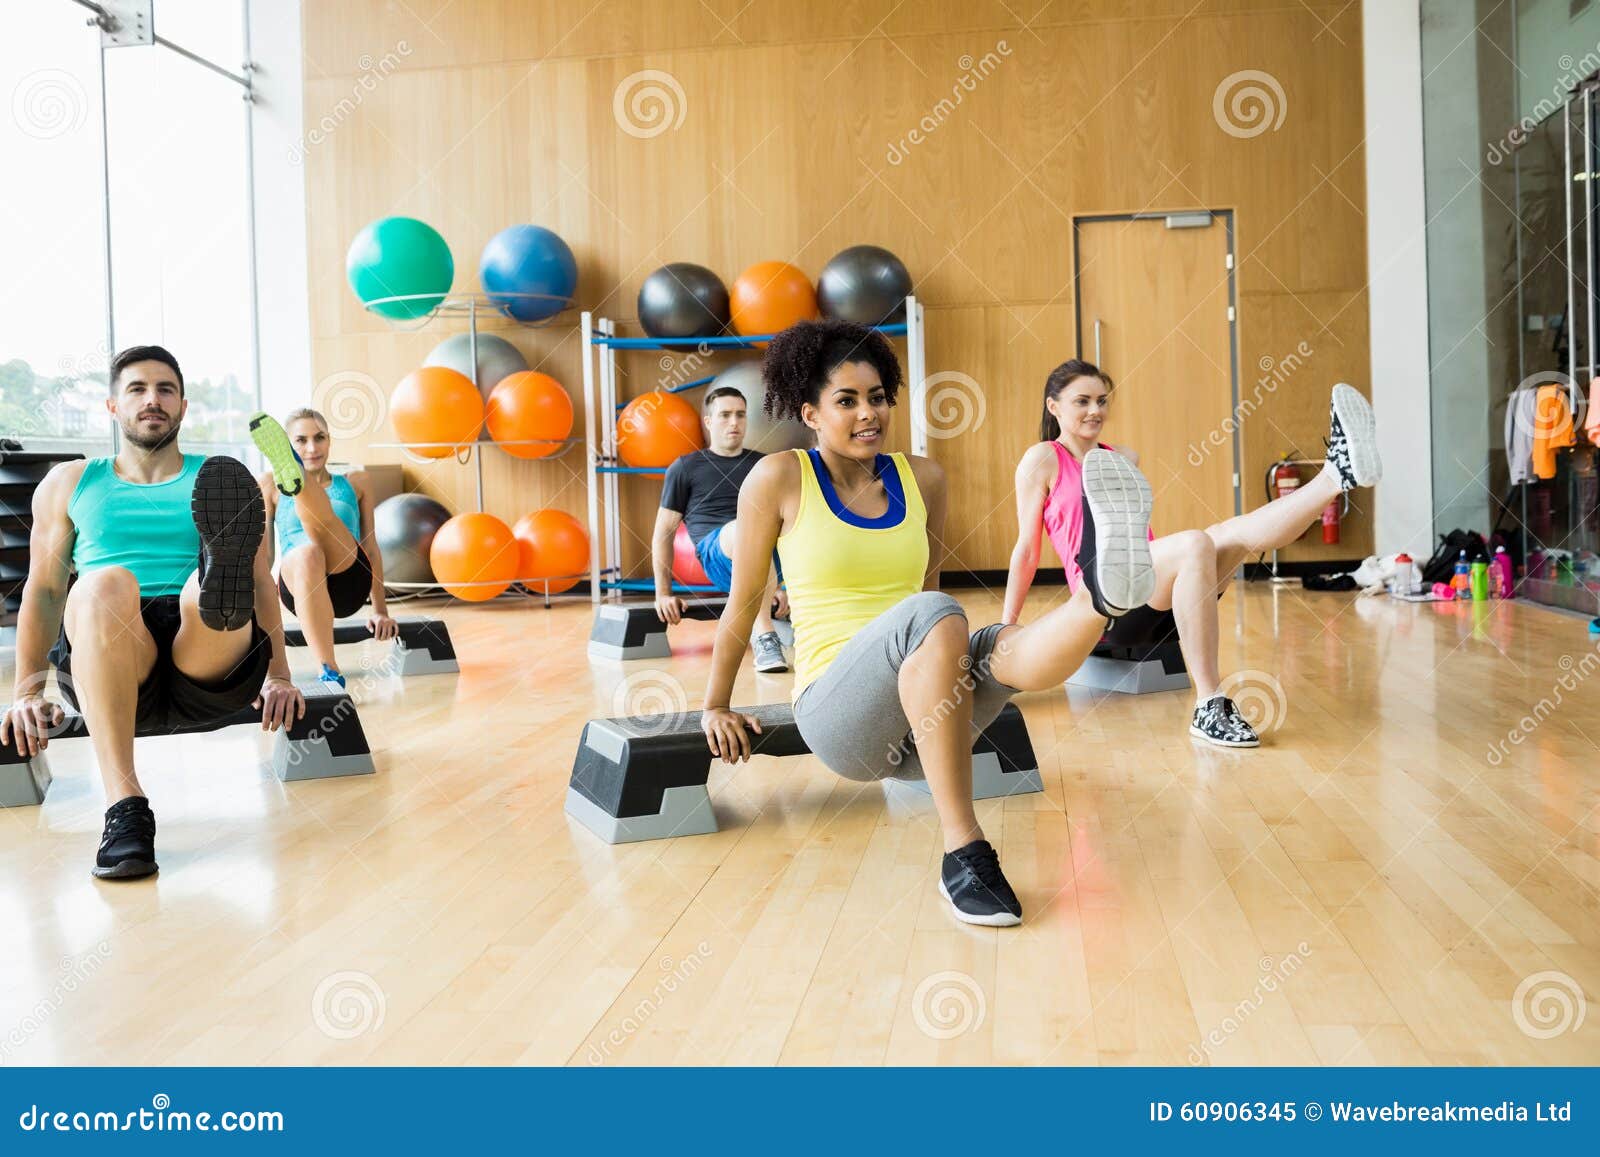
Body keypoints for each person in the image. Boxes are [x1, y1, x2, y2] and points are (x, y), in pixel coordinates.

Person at [699, 320, 1160, 927]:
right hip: (839, 719)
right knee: (936, 613)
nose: (869, 413)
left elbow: (928, 585)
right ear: (810, 413)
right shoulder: (779, 477)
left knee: (1000, 643)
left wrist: (953, 668)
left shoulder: (924, 478)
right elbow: (743, 602)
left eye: (877, 397)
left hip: (926, 725)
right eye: (846, 401)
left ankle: (1098, 600)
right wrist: (715, 704)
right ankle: (964, 850)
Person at [0, 345, 305, 880]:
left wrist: (280, 674)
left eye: (166, 390)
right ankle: (126, 806)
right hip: (111, 649)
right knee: (105, 584)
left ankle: (213, 582)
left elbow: (261, 582)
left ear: (183, 406)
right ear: (112, 406)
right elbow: (45, 591)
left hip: (208, 659)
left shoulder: (220, 478)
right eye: (137, 389)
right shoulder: (70, 481)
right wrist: (27, 690)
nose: (152, 400)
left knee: (201, 591)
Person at [1002, 359, 1382, 748]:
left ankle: (1335, 476)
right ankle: (1209, 703)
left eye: (1101, 400)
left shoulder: (1123, 457)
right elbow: (1027, 549)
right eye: (1082, 401)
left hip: (1156, 603)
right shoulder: (1042, 460)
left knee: (1230, 535)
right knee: (1197, 542)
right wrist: (1005, 627)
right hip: (1102, 607)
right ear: (1054, 407)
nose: (1095, 410)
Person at [248, 408, 396, 689]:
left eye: (319, 438)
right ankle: (328, 669)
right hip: (298, 586)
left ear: (330, 440)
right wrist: (253, 615)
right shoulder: (268, 485)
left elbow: (370, 546)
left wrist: (380, 611)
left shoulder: (356, 481)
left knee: (322, 526)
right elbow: (265, 556)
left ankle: (299, 483)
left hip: (349, 581)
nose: (312, 448)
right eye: (300, 441)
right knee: (308, 553)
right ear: (289, 444)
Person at [653, 385, 789, 673]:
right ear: (708, 421)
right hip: (719, 555)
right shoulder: (685, 468)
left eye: (740, 414)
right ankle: (764, 635)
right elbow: (664, 531)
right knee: (743, 530)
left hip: (770, 553)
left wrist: (785, 586)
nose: (734, 422)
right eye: (725, 415)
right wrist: (663, 593)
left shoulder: (764, 464)